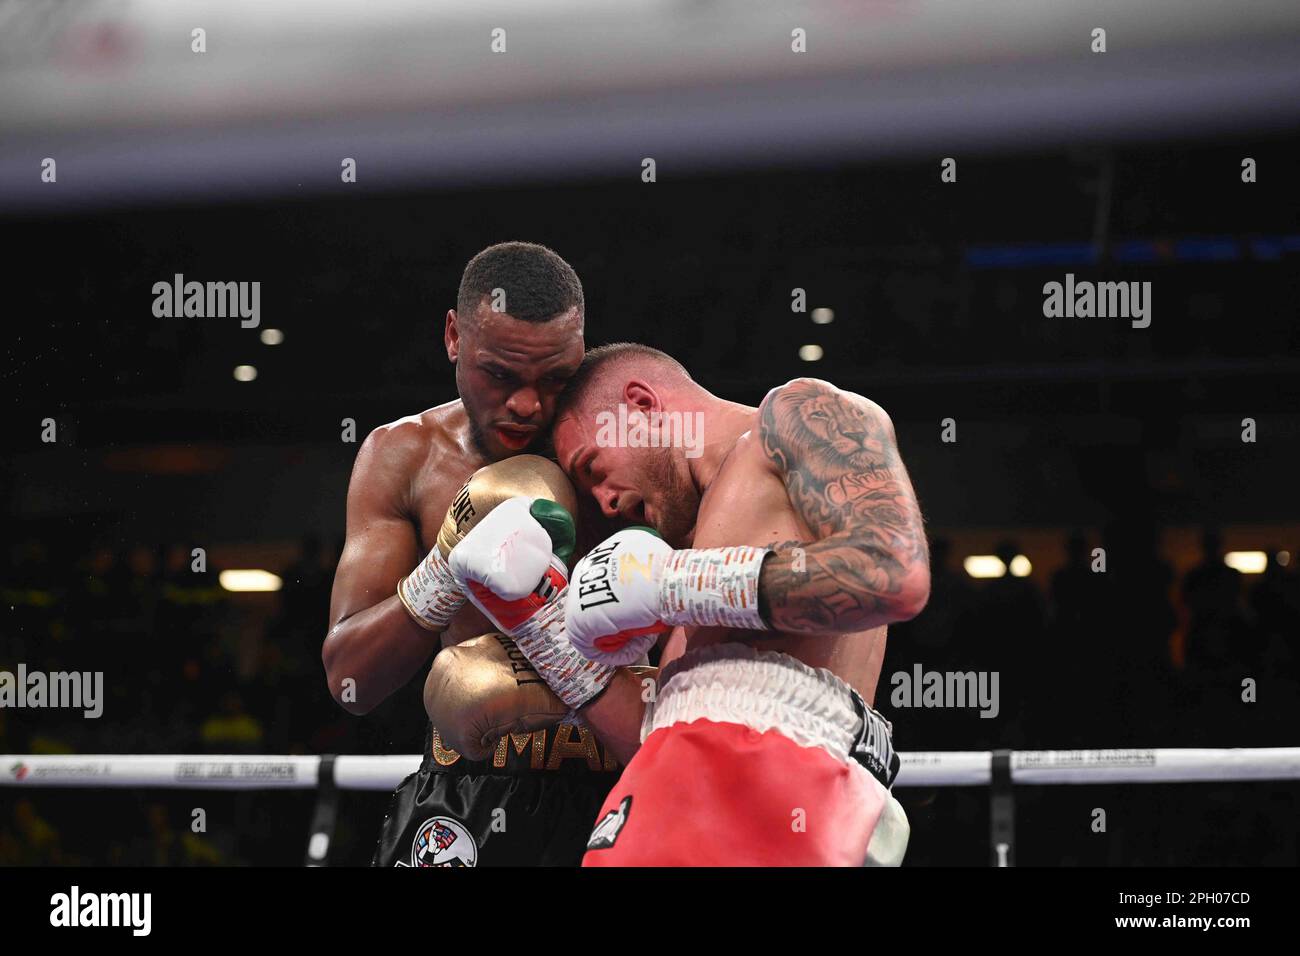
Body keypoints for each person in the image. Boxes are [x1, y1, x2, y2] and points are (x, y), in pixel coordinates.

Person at [445, 342, 929, 865]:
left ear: (641, 406)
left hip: (775, 791)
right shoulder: (695, 551)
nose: (606, 502)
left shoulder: (799, 415)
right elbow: (660, 738)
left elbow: (891, 571)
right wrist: (536, 620)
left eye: (593, 467)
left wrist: (670, 583)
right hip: (670, 797)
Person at [321, 241, 620, 867]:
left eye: (556, 378)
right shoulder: (405, 457)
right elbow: (350, 682)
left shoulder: (627, 453)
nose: (527, 405)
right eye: (502, 375)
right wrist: (449, 564)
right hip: (468, 797)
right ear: (455, 337)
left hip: (617, 790)